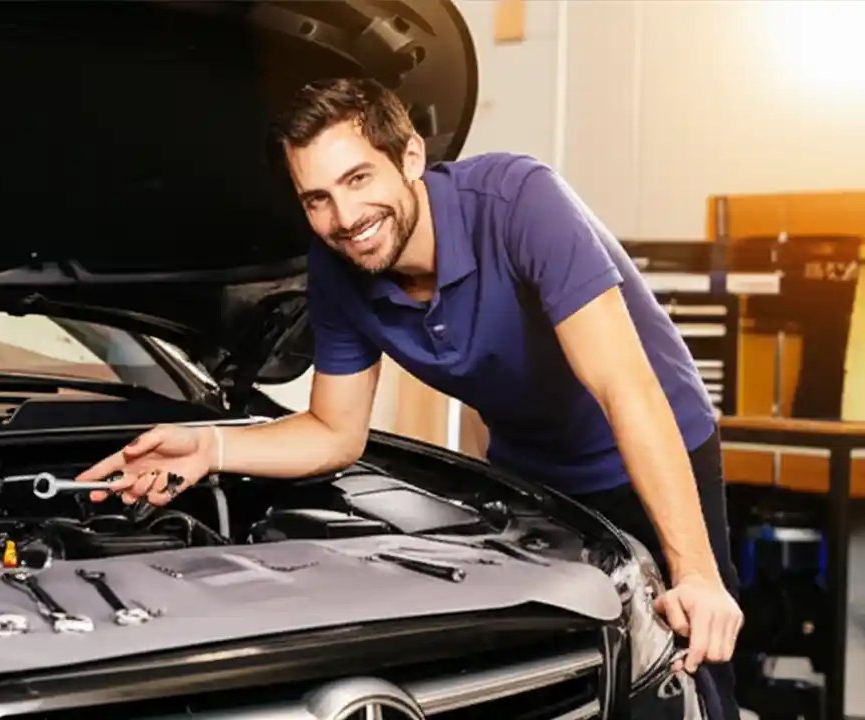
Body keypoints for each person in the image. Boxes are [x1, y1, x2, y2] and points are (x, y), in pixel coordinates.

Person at [76, 77, 744, 718]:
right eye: (316, 198)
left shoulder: (520, 202)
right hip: (533, 470)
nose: (345, 219)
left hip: (652, 447)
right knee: (554, 663)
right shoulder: (338, 265)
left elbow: (624, 390)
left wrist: (698, 576)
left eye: (358, 179)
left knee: (689, 658)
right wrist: (210, 446)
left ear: (412, 157)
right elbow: (335, 433)